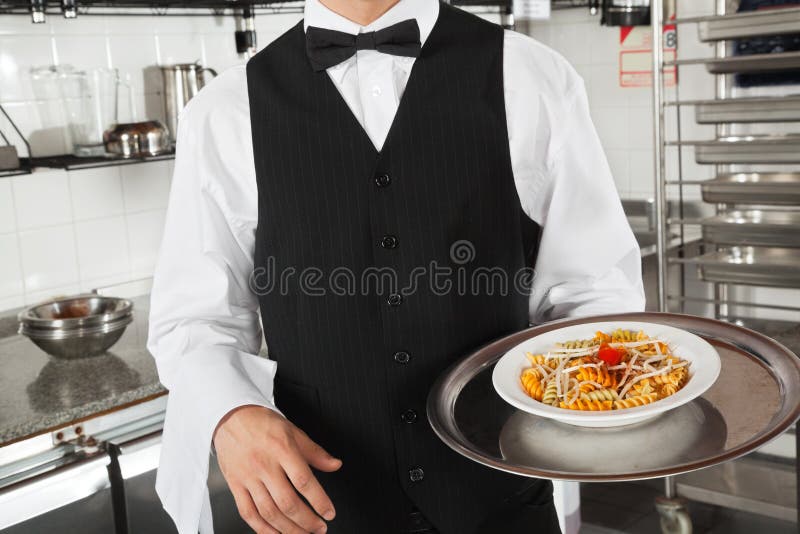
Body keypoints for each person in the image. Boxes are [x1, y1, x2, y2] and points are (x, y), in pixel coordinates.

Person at [147, 0, 645, 532]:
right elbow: (195, 321)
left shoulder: (532, 76)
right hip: (326, 507)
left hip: (502, 497)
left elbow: (593, 291)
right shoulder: (225, 108)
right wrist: (231, 414)